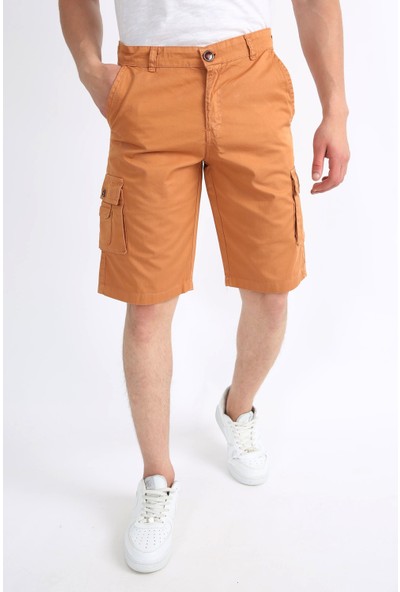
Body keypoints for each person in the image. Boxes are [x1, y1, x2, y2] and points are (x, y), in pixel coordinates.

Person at [59, 0, 350, 574]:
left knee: (272, 288)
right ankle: (156, 478)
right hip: (147, 87)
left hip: (251, 80)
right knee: (147, 306)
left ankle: (237, 410)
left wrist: (335, 109)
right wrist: (91, 71)